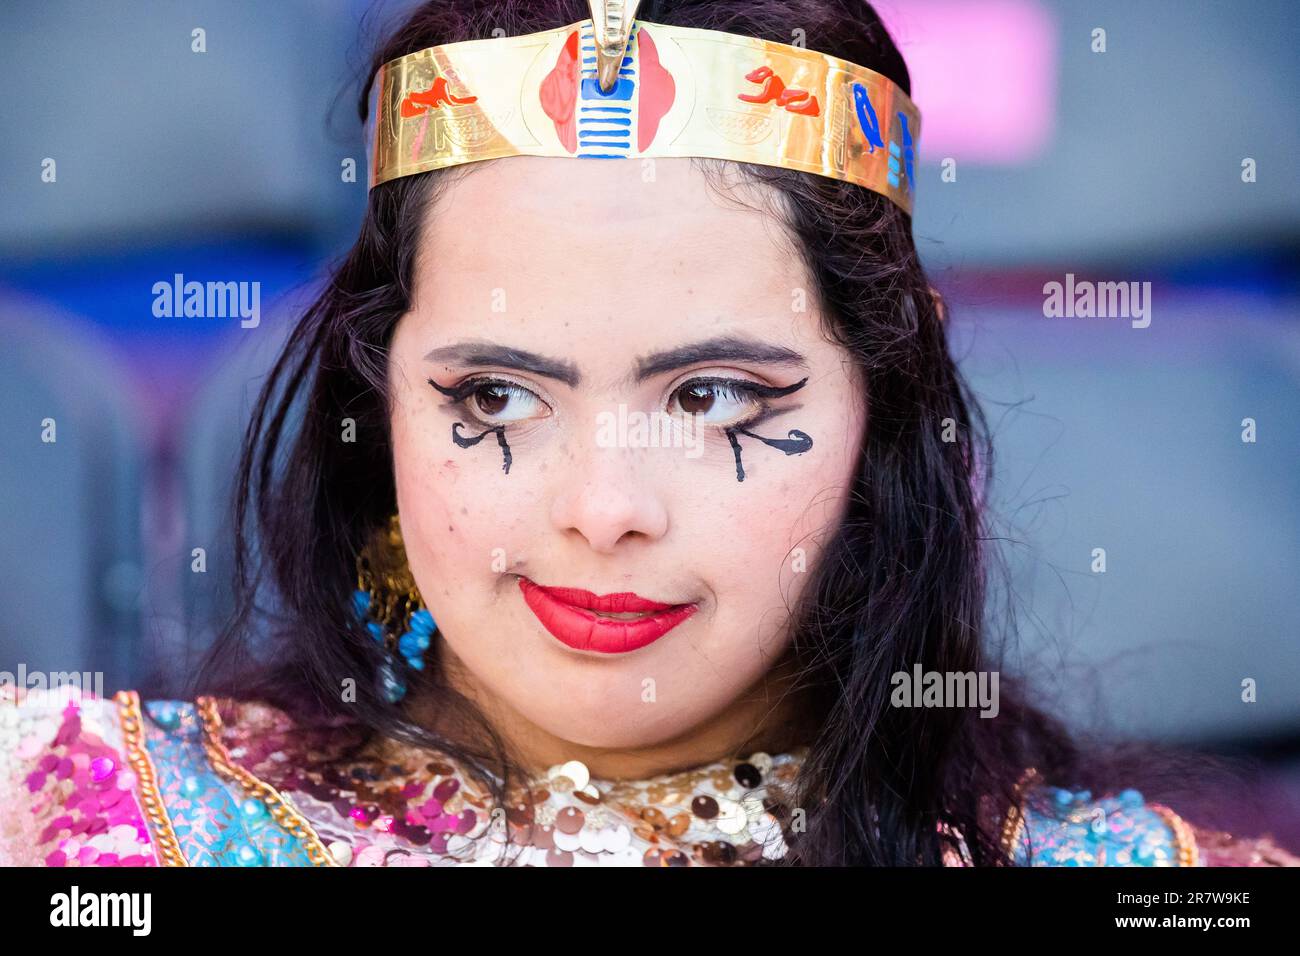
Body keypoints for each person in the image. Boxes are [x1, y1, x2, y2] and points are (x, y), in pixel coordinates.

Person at [2, 0, 1295, 868]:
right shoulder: (78, 824)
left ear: (884, 403)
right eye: (494, 400)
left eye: (712, 397)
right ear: (379, 402)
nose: (603, 506)